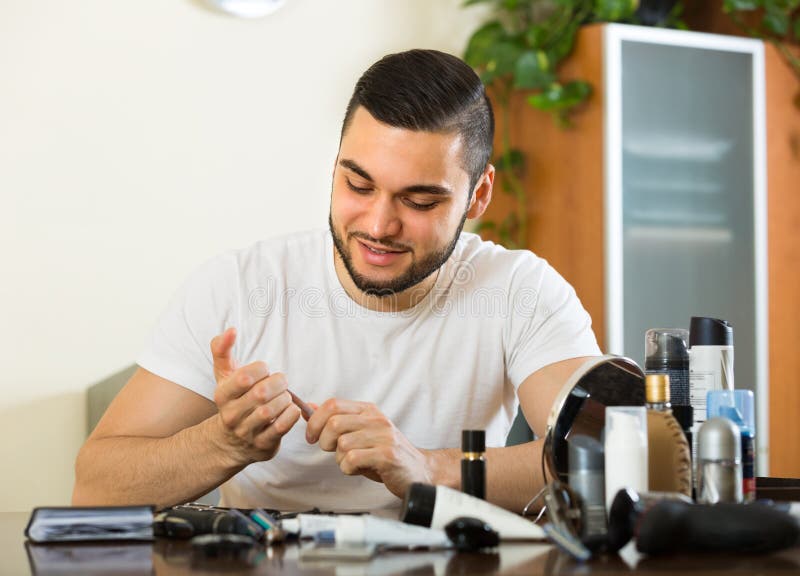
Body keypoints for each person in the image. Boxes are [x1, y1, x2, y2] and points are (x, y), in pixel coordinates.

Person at [72, 49, 600, 513]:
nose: (377, 226)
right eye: (358, 184)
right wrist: (223, 445)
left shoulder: (519, 290)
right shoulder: (236, 286)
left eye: (419, 201)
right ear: (334, 169)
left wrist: (427, 468)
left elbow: (601, 455)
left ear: (479, 196)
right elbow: (94, 487)